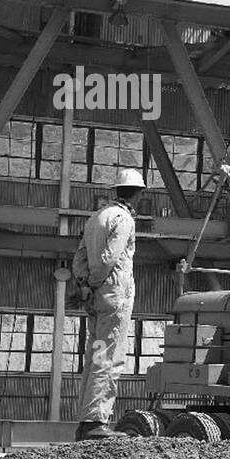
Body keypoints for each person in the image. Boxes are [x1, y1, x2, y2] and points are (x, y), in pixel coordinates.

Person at [71, 169, 144, 441]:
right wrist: (94, 281)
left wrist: (84, 285)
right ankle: (96, 422)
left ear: (117, 190)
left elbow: (79, 257)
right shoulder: (123, 218)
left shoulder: (95, 218)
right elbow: (109, 257)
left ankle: (86, 421)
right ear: (138, 193)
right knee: (109, 358)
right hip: (114, 297)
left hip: (96, 300)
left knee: (96, 357)